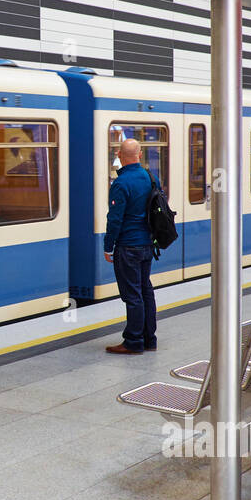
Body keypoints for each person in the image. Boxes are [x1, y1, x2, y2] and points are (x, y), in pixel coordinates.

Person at [103, 138, 157, 354]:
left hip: (128, 246)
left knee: (133, 295)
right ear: (140, 155)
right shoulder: (151, 178)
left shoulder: (121, 184)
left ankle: (133, 341)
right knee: (145, 290)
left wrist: (109, 246)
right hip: (147, 245)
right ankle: (149, 338)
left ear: (118, 155)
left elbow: (114, 219)